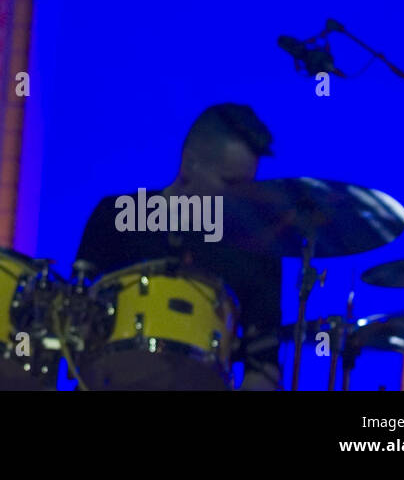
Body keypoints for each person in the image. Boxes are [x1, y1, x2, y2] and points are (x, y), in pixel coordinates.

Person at [75, 103, 283, 389]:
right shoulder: (115, 218)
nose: (241, 198)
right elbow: (73, 331)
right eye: (231, 183)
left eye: (248, 185)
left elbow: (263, 366)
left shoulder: (259, 249)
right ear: (188, 164)